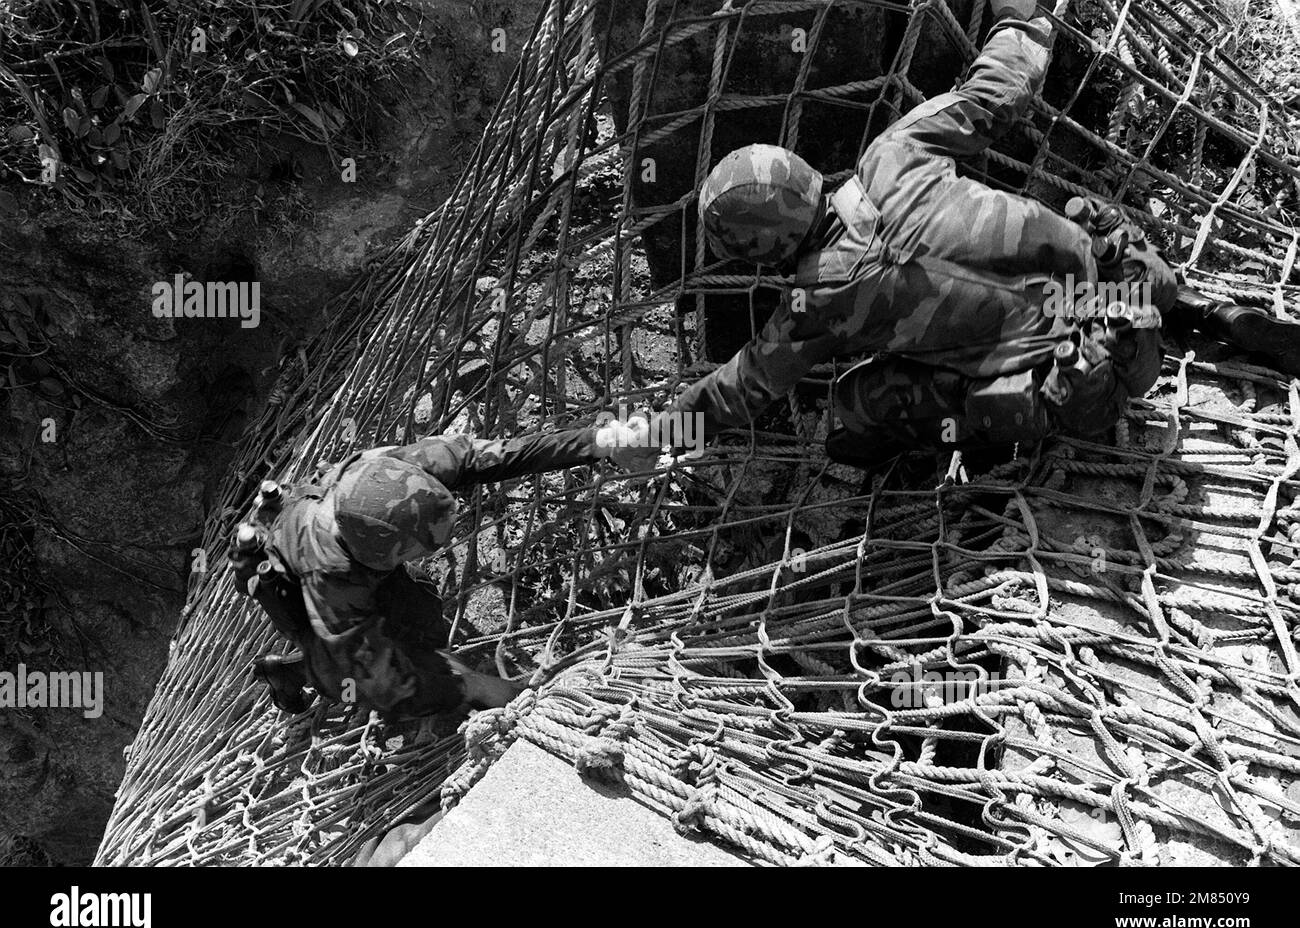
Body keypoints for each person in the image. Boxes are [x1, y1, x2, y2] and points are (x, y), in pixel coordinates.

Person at [619, 0, 1293, 471]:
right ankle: (1200, 312)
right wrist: (1021, 14)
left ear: (754, 254)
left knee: (854, 411)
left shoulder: (813, 307)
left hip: (1090, 388)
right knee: (1069, 228)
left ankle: (971, 441)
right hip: (1129, 293)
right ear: (800, 175)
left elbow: (736, 391)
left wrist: (656, 434)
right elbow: (1003, 84)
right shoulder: (893, 152)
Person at [230, 416, 647, 719]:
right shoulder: (334, 580)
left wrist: (603, 441)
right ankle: (290, 674)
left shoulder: (399, 470)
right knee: (348, 675)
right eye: (413, 551)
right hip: (283, 574)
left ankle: (424, 658)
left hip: (331, 530)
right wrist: (471, 685)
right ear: (377, 555)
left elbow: (502, 455)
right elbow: (382, 683)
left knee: (421, 612)